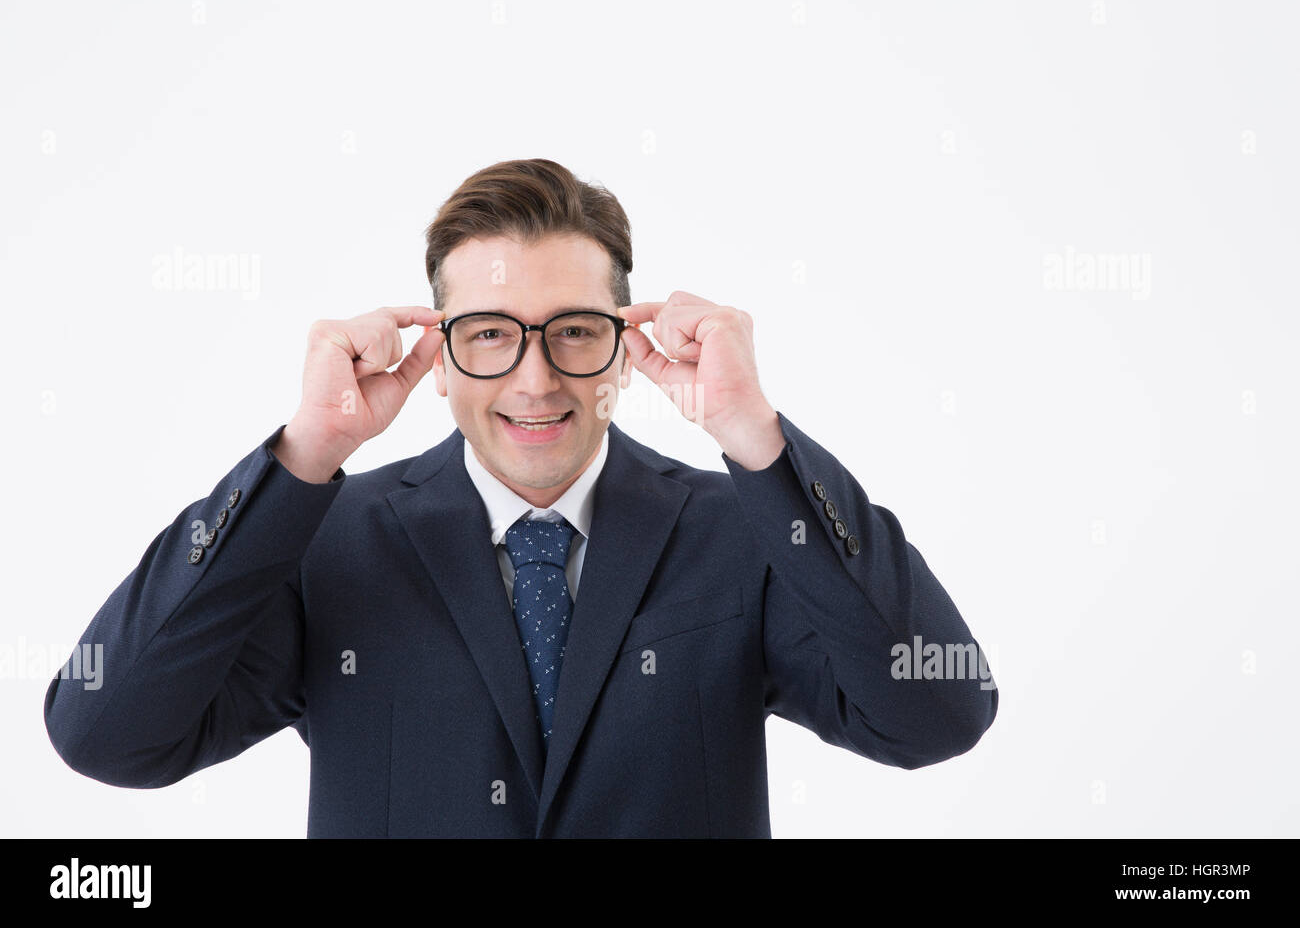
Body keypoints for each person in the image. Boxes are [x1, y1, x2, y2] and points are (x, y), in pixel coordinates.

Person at [44, 157, 997, 837]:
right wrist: (303, 455)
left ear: (626, 348)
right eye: (492, 334)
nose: (536, 380)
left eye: (575, 332)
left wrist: (757, 438)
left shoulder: (736, 532)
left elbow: (939, 712)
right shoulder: (327, 541)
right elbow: (106, 735)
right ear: (440, 359)